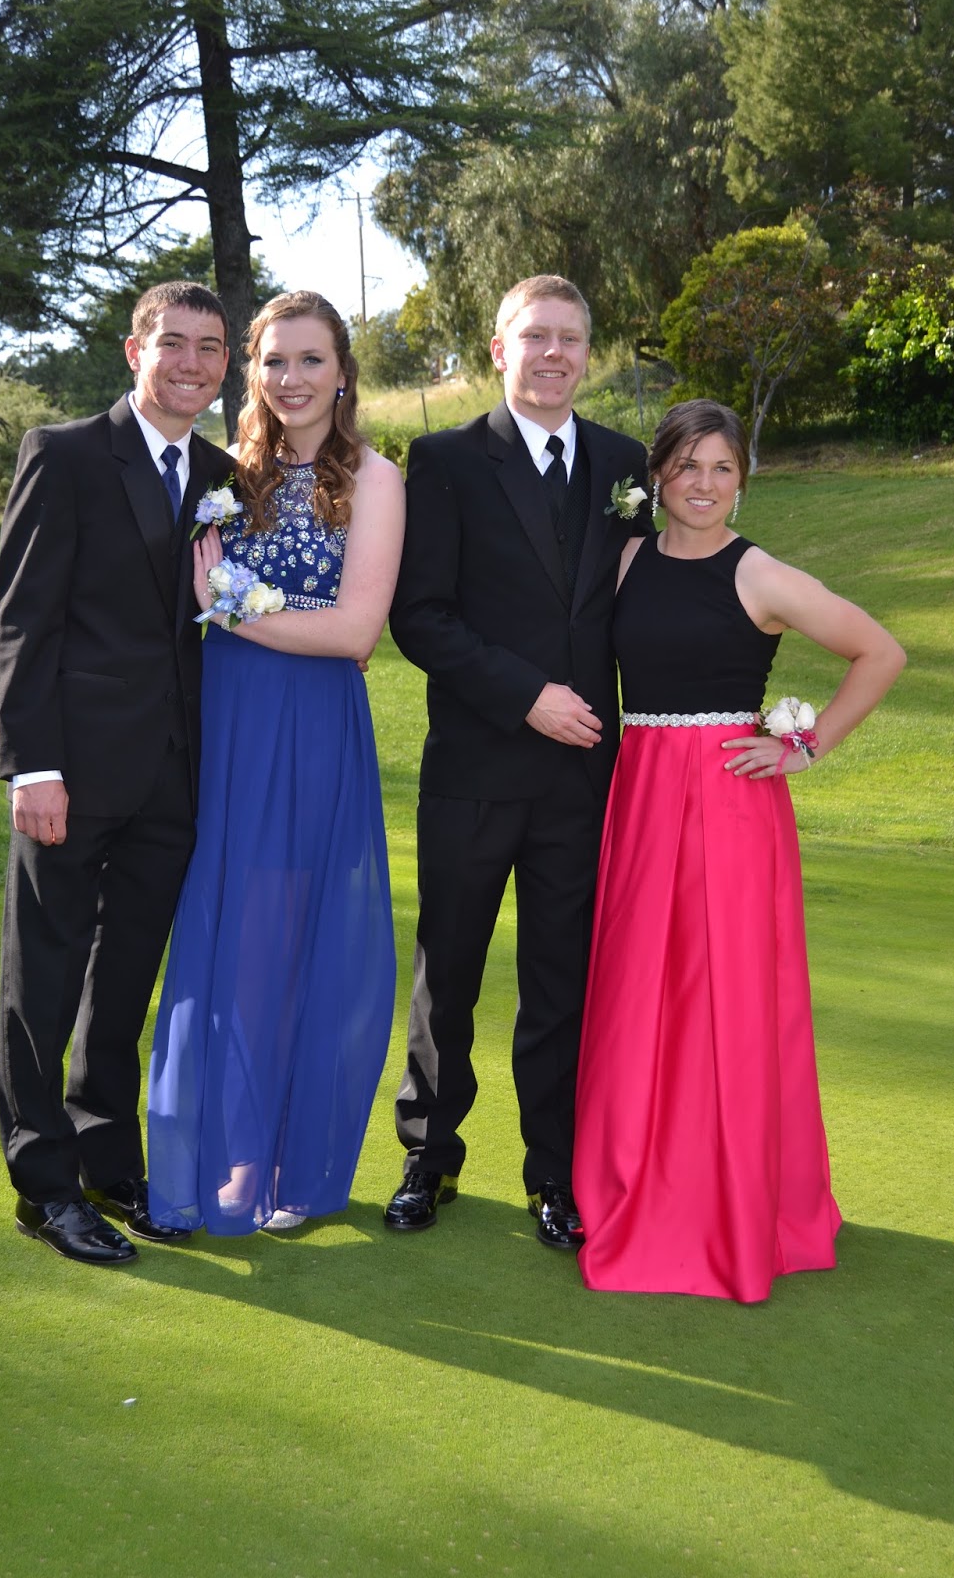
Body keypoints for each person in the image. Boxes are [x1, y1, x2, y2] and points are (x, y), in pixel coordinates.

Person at [572, 398, 907, 1302]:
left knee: (729, 997)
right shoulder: (627, 559)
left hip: (729, 804)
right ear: (658, 475)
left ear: (742, 482)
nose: (704, 484)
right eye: (688, 466)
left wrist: (804, 746)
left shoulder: (760, 574)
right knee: (640, 991)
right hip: (642, 795)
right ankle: (637, 1183)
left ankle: (741, 1200)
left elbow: (880, 652)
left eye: (723, 468)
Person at [384, 274, 652, 1248]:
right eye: (535, 336)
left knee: (561, 981)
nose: (553, 354)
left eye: (569, 338)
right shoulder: (445, 461)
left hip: (582, 778)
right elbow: (420, 615)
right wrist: (525, 695)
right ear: (499, 349)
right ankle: (429, 1156)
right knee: (447, 972)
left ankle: (555, 1173)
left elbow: (642, 600)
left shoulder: (624, 463)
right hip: (474, 765)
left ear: (588, 353)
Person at [146, 290, 404, 1235]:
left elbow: (355, 631)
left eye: (310, 360)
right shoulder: (223, 474)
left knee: (287, 947)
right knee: (222, 941)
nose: (290, 379)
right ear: (251, 373)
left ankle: (281, 1164)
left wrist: (233, 607)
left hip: (306, 731)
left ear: (342, 373)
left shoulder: (375, 479)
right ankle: (214, 1151)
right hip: (221, 725)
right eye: (273, 361)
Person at [0, 281, 234, 1265]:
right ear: (136, 351)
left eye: (209, 348)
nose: (191, 363)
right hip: (74, 769)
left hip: (173, 777)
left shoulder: (221, 472)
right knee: (44, 977)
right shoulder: (65, 453)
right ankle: (43, 1184)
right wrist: (33, 766)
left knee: (124, 975)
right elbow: (22, 620)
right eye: (173, 343)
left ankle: (104, 1157)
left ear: (224, 365)